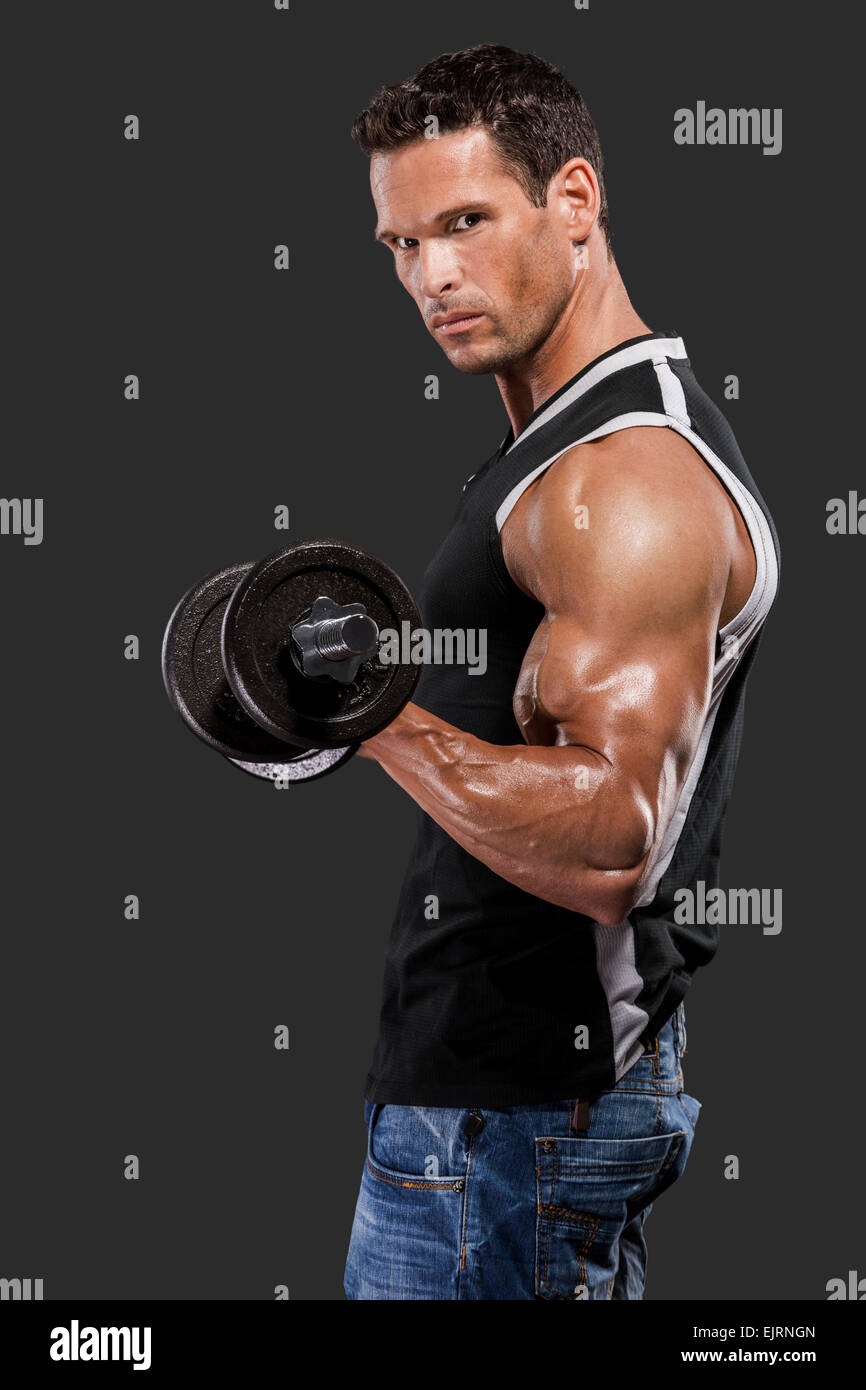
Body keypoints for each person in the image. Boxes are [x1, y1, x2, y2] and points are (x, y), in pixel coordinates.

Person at [343, 43, 779, 1300]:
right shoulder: (557, 440)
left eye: (465, 223)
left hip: (521, 1123)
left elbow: (609, 840)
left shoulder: (622, 479)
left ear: (573, 201)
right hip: (479, 1107)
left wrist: (369, 714)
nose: (432, 275)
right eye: (400, 245)